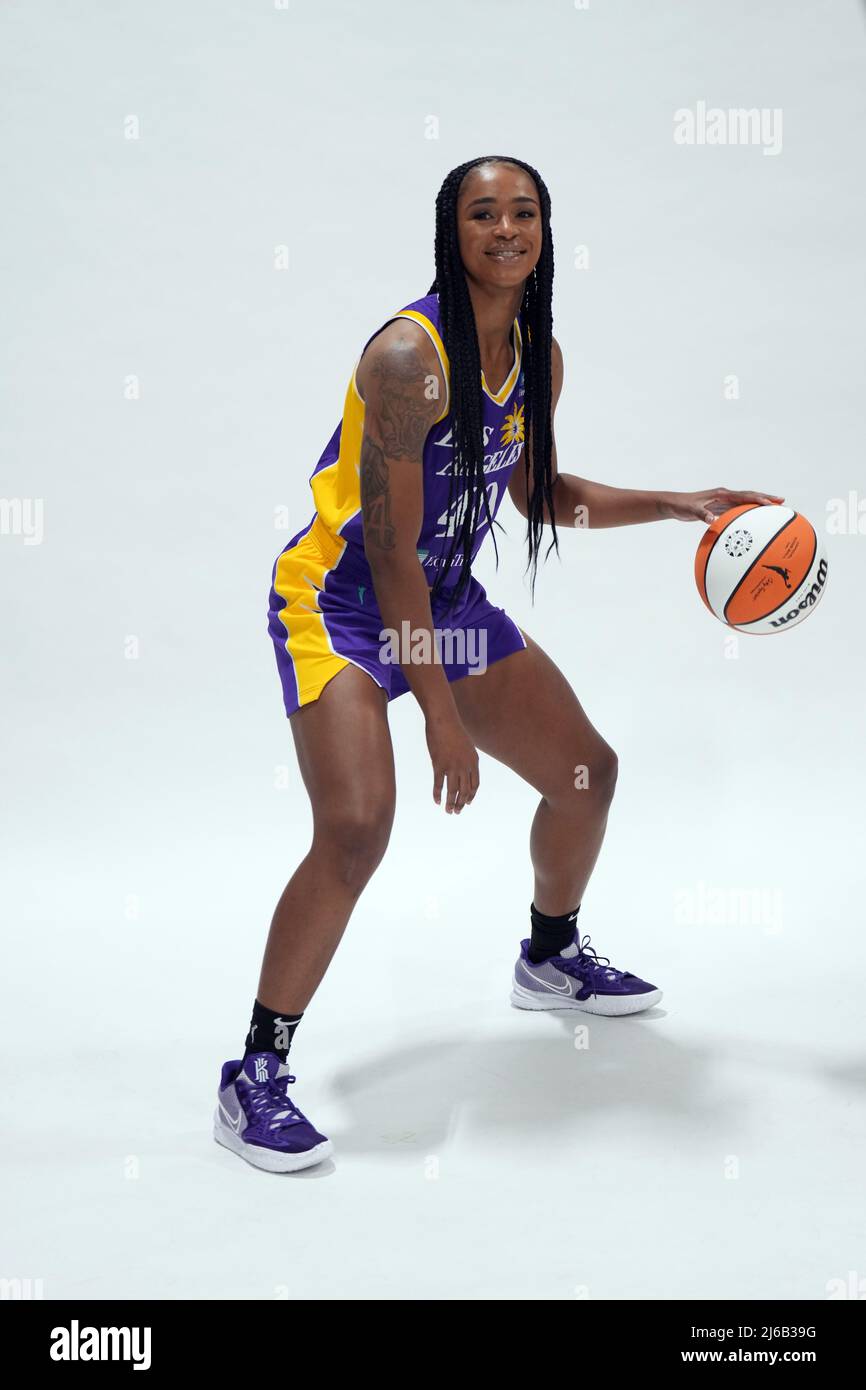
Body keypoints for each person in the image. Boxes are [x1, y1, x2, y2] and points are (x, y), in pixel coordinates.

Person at [213, 155, 784, 1173]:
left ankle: (549, 952)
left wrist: (674, 502)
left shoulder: (534, 353)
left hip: (441, 602)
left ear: (544, 230)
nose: (504, 229)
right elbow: (387, 553)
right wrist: (436, 709)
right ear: (452, 230)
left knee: (586, 776)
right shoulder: (406, 359)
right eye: (483, 214)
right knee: (354, 829)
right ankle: (255, 1069)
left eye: (522, 213)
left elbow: (533, 496)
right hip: (340, 606)